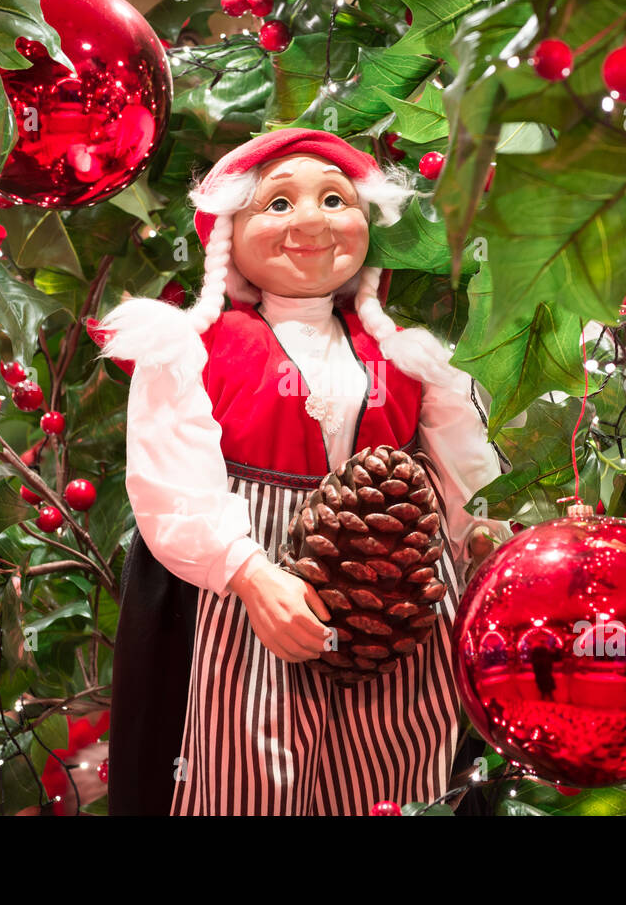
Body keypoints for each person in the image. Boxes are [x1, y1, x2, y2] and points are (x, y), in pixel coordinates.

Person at [92, 128, 507, 815]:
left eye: (334, 198)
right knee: (250, 771)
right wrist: (248, 573)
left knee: (402, 763)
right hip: (247, 600)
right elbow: (174, 479)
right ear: (230, 235)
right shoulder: (194, 350)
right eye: (278, 203)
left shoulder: (407, 359)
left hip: (395, 600)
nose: (311, 220)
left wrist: (487, 547)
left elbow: (466, 476)